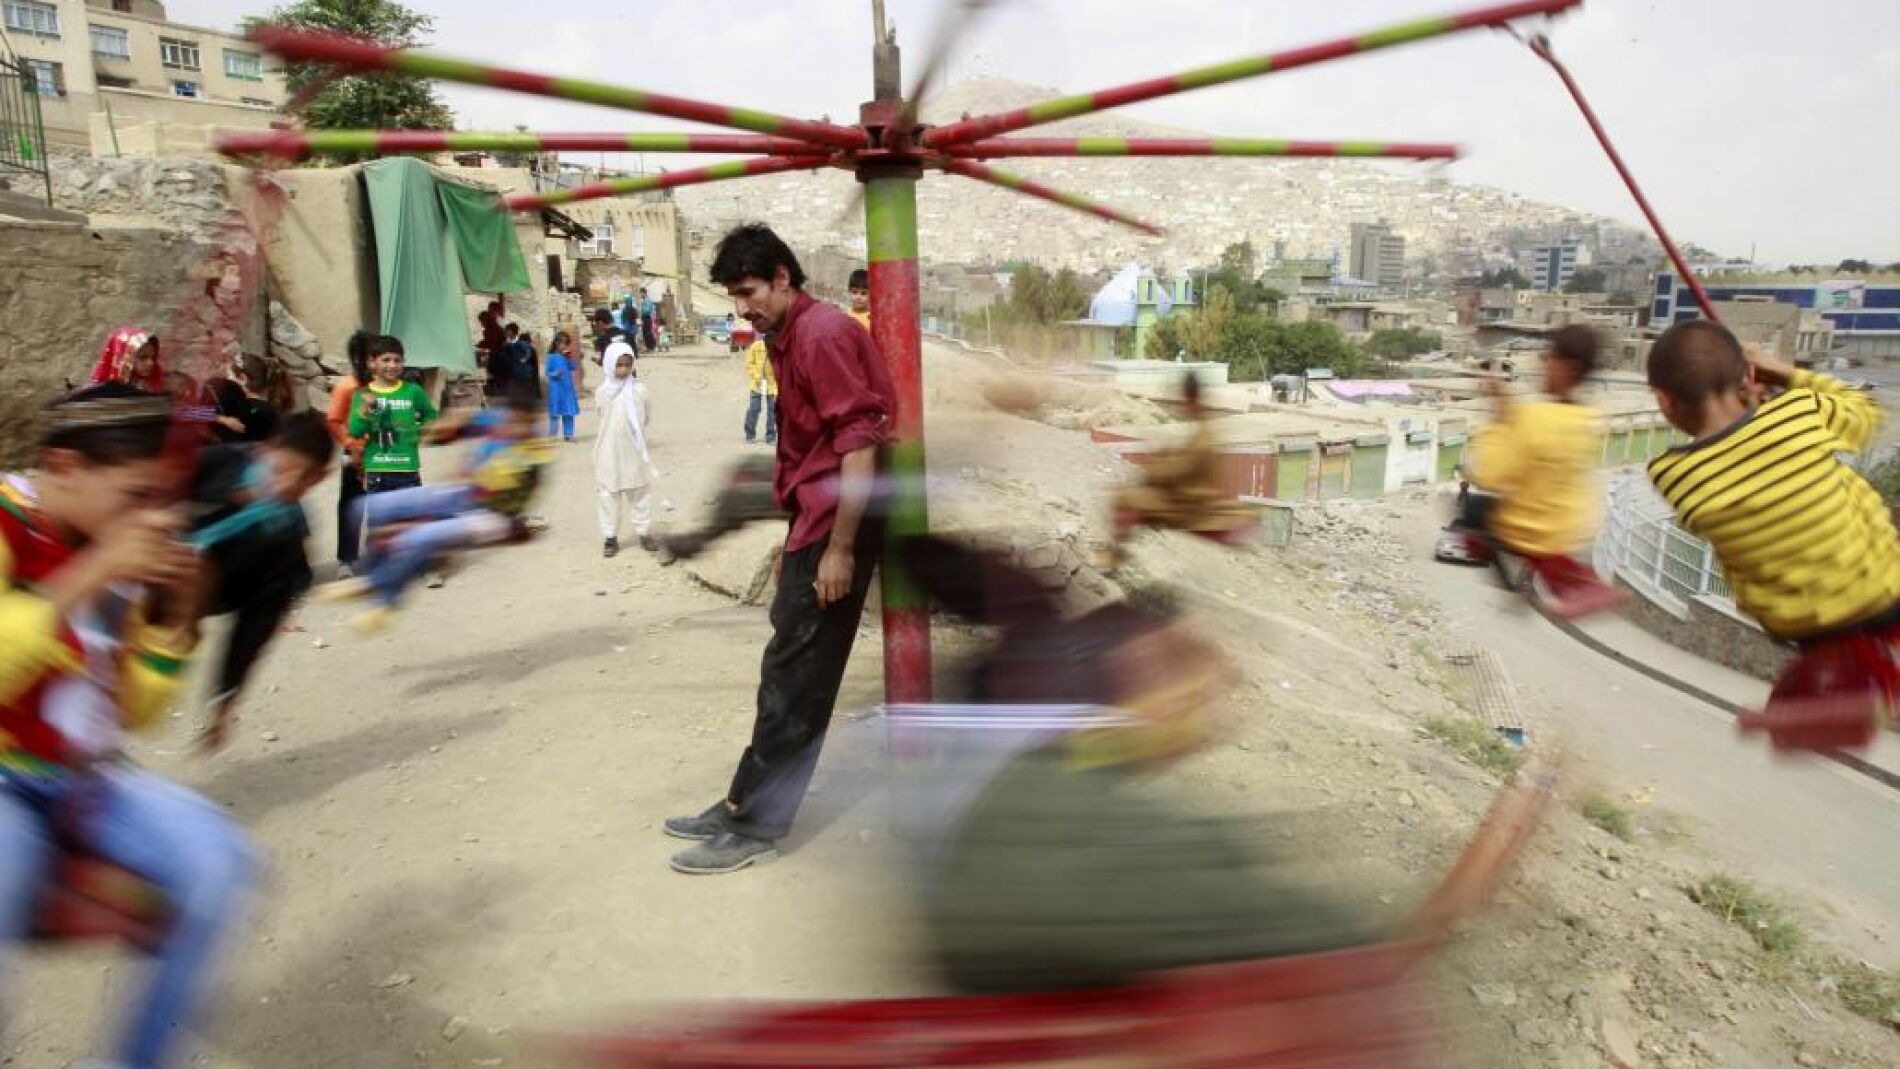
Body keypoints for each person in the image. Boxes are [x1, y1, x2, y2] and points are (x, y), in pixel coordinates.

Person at [0, 383, 255, 1069]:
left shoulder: (114, 545)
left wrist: (174, 625)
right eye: (138, 495)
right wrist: (95, 571)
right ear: (63, 468)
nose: (155, 519)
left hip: (86, 778)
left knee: (219, 865)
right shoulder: (10, 521)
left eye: (162, 500)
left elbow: (133, 713)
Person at [664, 223, 896, 875]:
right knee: (783, 670)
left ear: (784, 279)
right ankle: (742, 801)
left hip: (841, 522)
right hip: (817, 519)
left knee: (799, 678)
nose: (743, 307)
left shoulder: (823, 335)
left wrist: (840, 549)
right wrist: (798, 539)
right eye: (735, 295)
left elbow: (860, 444)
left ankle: (759, 825)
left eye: (749, 292)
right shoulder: (787, 335)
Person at [1645, 320, 1900, 748]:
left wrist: (1755, 408)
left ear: (1664, 402)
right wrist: (1784, 373)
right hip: (1882, 588)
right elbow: (1867, 412)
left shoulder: (1673, 475)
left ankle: (1834, 707)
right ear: (1748, 378)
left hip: (1804, 624)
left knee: (1816, 671)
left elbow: (1741, 459)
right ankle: (1858, 697)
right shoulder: (1801, 413)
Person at [321, 384, 554, 633]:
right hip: (461, 495)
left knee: (417, 538)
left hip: (493, 517)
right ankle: (377, 580)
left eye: (524, 423)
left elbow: (490, 490)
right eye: (513, 420)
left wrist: (428, 524)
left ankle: (382, 596)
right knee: (368, 506)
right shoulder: (500, 419)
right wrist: (443, 429)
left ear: (534, 421)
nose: (515, 428)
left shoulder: (534, 453)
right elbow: (462, 425)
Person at [188, 412, 335, 751]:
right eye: (281, 470)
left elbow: (255, 627)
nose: (286, 485)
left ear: (320, 478)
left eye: (302, 479)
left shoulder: (286, 541)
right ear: (264, 451)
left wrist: (224, 701)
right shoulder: (214, 464)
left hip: (171, 620)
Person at [1464, 324, 1626, 618]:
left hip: (1528, 527)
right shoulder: (1589, 416)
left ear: (1569, 367)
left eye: (1550, 358)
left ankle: (1512, 572)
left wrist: (1497, 421)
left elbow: (1488, 474)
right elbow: (1544, 444)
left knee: (1471, 511)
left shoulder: (1534, 418)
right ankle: (1559, 579)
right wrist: (1508, 411)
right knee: (1527, 539)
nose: (1543, 365)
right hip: (1567, 527)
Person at [1101, 372, 1254, 569]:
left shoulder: (1204, 438)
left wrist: (1153, 466)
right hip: (1190, 498)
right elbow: (1186, 460)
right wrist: (1166, 454)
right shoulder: (1204, 430)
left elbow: (1179, 472)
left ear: (1190, 400)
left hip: (1189, 506)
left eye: (1182, 401)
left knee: (1124, 497)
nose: (1181, 407)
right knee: (1138, 490)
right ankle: (1119, 552)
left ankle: (1114, 558)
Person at [346, 335, 437, 498]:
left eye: (397, 360)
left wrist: (417, 432)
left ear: (404, 362)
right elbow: (355, 431)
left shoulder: (413, 391)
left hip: (408, 470)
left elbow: (431, 417)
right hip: (377, 472)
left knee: (411, 520)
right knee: (379, 521)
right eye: (386, 360)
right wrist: (364, 409)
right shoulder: (363, 394)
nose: (392, 365)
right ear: (374, 362)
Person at [595, 348, 657, 557]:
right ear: (610, 364)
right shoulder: (603, 392)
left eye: (627, 365)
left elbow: (646, 418)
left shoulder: (640, 390)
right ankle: (610, 537)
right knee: (609, 494)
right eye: (618, 365)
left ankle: (644, 532)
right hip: (609, 450)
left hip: (633, 450)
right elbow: (601, 416)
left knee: (639, 492)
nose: (623, 369)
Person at [326, 331, 375, 578]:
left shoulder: (386, 387)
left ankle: (379, 553)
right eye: (368, 357)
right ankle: (346, 559)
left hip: (383, 453)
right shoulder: (346, 387)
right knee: (351, 505)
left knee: (382, 504)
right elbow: (333, 420)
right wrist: (350, 445)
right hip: (355, 456)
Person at [87, 326, 165, 392]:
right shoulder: (99, 394)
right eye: (143, 358)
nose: (150, 363)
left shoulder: (155, 389)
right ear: (124, 359)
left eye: (152, 357)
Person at [743, 337, 778, 445]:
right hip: (757, 384)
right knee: (754, 408)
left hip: (772, 384)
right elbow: (749, 364)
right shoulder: (756, 346)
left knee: (772, 411)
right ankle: (750, 433)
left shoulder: (778, 349)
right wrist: (756, 375)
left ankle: (770, 436)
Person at [544, 338, 580, 442]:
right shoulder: (551, 357)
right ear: (556, 344)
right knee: (555, 413)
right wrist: (555, 374)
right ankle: (552, 435)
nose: (564, 346)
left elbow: (573, 367)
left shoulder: (567, 356)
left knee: (569, 412)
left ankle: (569, 434)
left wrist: (569, 358)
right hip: (556, 389)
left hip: (568, 388)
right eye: (562, 344)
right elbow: (547, 372)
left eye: (566, 344)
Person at [486, 320, 518, 398]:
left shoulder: (516, 345)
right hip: (501, 374)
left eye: (507, 331)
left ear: (513, 332)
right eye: (505, 331)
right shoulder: (503, 344)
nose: (505, 333)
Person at [477, 300, 506, 381]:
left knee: (495, 371)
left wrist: (481, 345)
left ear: (496, 311)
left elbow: (493, 341)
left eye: (491, 311)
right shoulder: (494, 323)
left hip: (499, 352)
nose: (490, 313)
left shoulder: (497, 323)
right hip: (496, 352)